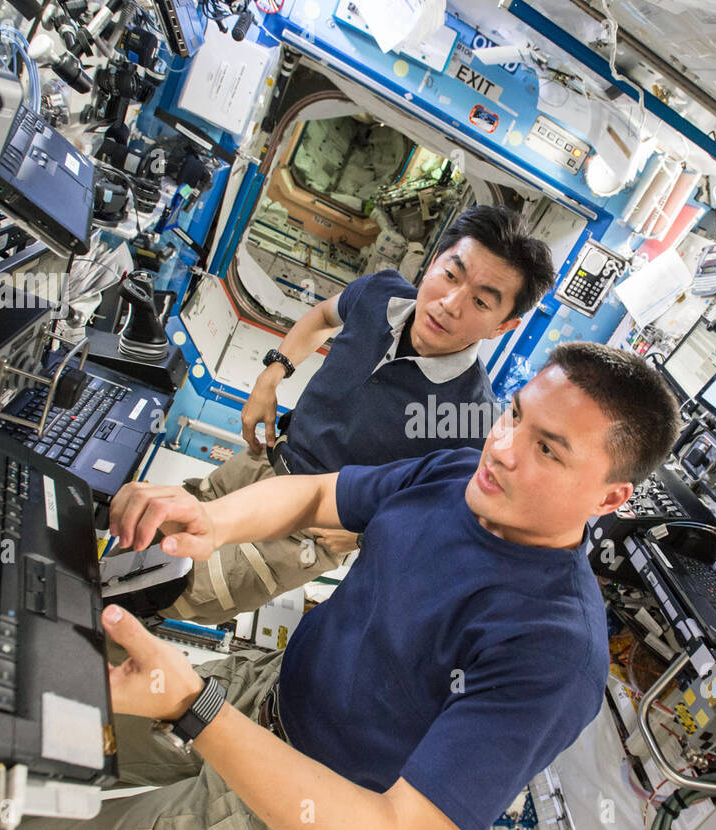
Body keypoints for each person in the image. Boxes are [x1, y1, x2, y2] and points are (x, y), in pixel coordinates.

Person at [0, 342, 680, 830]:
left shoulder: (555, 649)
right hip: (256, 699)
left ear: (612, 495)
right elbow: (317, 493)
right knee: (16, 740)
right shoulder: (461, 472)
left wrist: (190, 704)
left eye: (548, 448)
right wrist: (214, 519)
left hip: (287, 821)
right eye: (514, 415)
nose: (503, 447)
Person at [130, 205, 556, 627]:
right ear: (431, 265)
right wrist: (272, 375)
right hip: (264, 461)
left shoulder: (471, 417)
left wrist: (361, 535)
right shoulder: (379, 294)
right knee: (148, 538)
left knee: (166, 591)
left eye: (481, 301)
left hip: (305, 531)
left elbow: (440, 517)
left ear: (501, 327)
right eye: (450, 275)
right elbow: (321, 317)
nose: (449, 303)